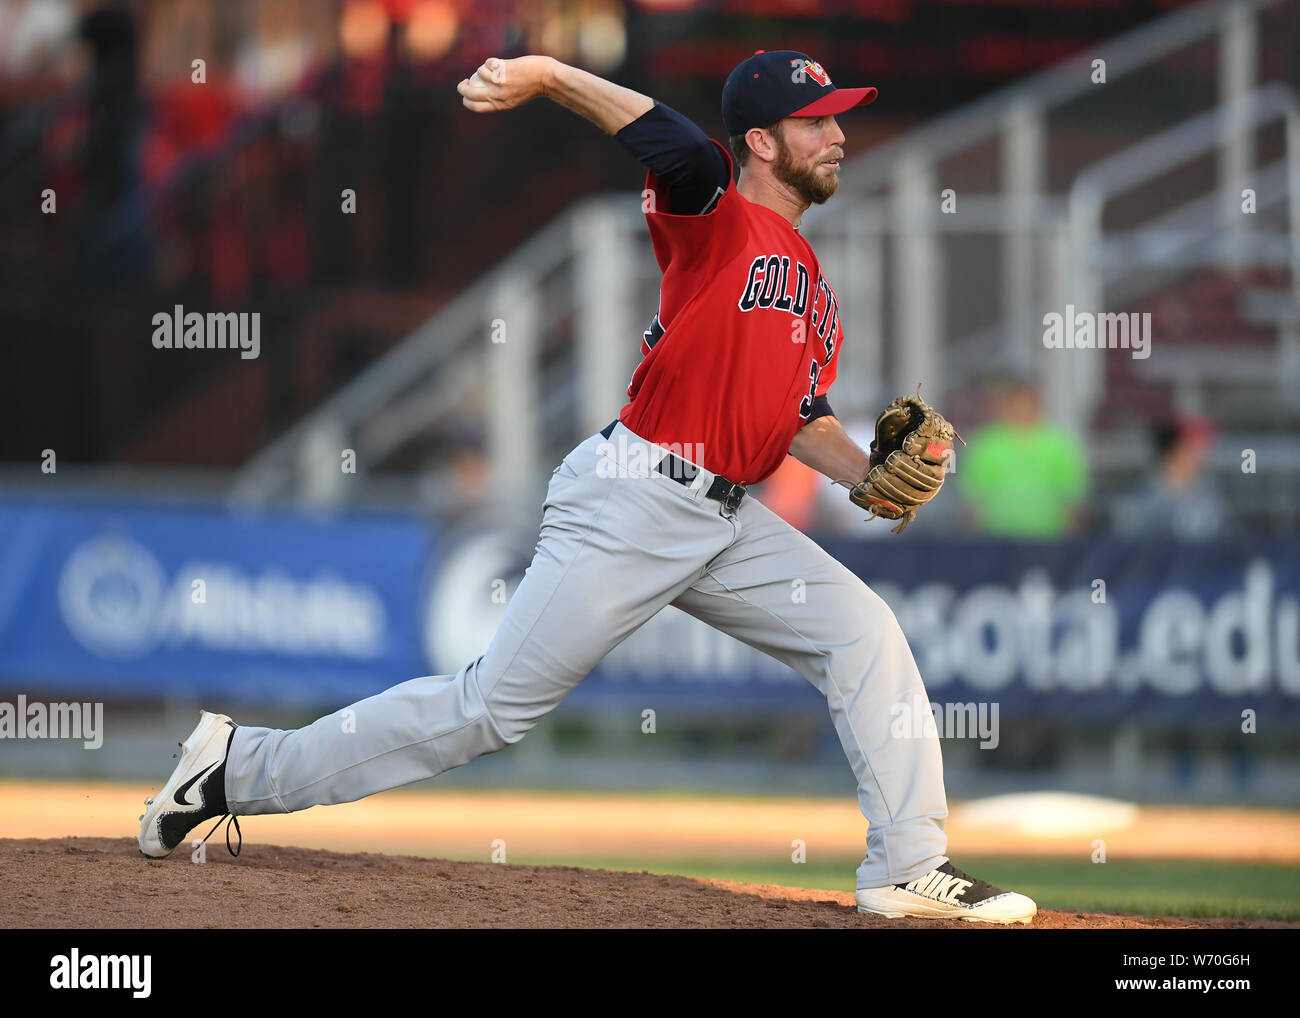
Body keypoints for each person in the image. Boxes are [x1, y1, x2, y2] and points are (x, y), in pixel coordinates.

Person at [138, 50, 1036, 924]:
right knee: (489, 710)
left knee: (866, 634)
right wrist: (548, 75)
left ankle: (910, 865)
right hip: (636, 497)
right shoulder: (713, 211)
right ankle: (230, 767)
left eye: (838, 116)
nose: (839, 132)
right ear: (762, 142)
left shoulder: (812, 287)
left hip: (726, 521)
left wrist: (874, 474)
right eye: (817, 120)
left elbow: (801, 418)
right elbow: (674, 143)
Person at [958, 379, 1088, 538]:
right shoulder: (987, 444)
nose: (1021, 410)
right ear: (1006, 407)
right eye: (1016, 404)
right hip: (997, 538)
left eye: (1027, 404)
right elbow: (973, 499)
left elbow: (1071, 497)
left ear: (1037, 406)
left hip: (1048, 537)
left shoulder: (1057, 444)